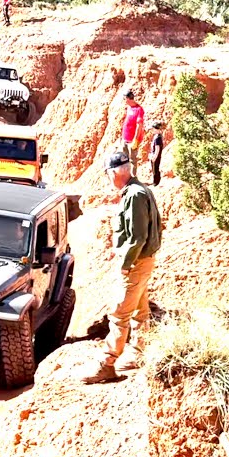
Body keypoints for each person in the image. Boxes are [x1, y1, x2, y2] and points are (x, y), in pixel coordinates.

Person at [87, 151, 162, 383]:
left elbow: (137, 237)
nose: (108, 179)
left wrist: (126, 264)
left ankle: (107, 363)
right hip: (143, 261)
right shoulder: (140, 190)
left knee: (120, 314)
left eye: (108, 174)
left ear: (114, 173)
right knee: (140, 311)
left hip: (136, 262)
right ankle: (138, 353)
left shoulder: (134, 195)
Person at [121, 89, 145, 164]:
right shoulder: (129, 108)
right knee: (125, 159)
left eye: (124, 98)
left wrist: (136, 140)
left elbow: (139, 126)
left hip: (132, 140)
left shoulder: (139, 109)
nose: (124, 100)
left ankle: (133, 175)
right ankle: (127, 175)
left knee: (132, 160)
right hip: (125, 138)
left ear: (128, 99)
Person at [146, 120, 165, 186]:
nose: (152, 130)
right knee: (154, 168)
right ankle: (156, 181)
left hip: (155, 156)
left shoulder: (158, 138)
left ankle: (156, 182)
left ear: (157, 129)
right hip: (153, 155)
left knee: (155, 169)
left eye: (153, 129)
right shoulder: (156, 136)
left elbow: (157, 149)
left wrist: (154, 157)